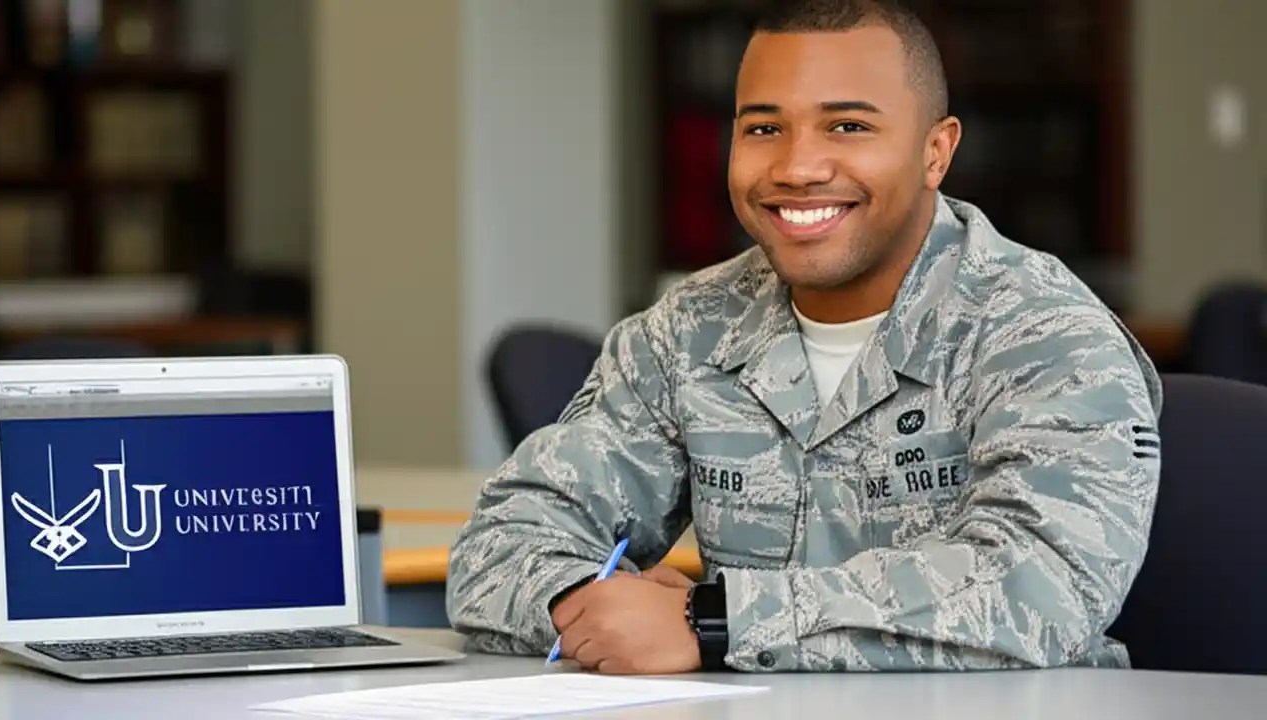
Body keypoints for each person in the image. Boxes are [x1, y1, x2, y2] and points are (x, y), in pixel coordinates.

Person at [447, 0, 1162, 675]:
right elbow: (498, 548)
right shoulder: (688, 330)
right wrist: (590, 605)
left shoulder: (1043, 333)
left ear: (935, 152)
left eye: (847, 126)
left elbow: (1044, 584)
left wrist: (716, 622)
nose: (796, 168)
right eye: (763, 128)